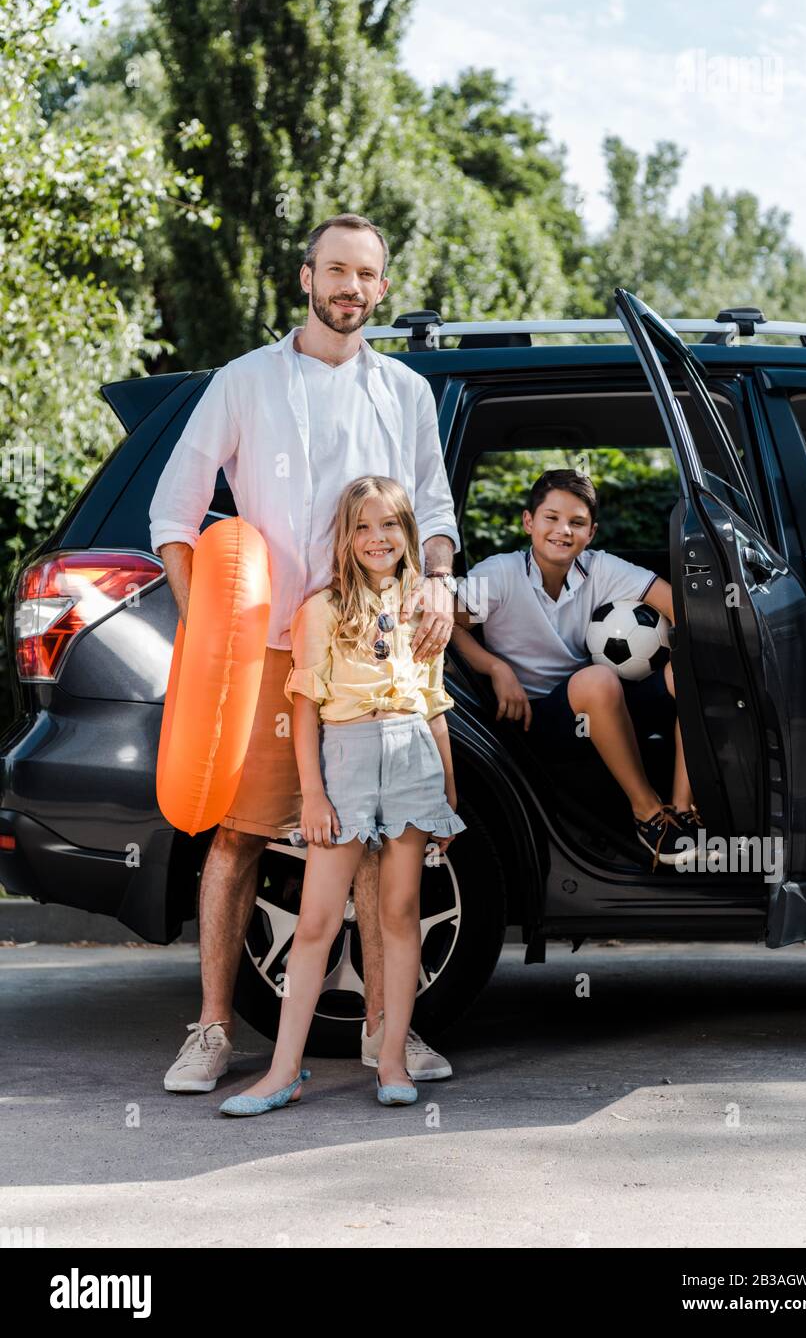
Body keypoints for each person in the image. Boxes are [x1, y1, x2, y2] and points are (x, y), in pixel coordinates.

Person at [149, 213, 462, 1094]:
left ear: (383, 287)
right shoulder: (243, 382)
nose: (350, 289)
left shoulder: (405, 392)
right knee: (236, 841)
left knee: (370, 846)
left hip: (375, 662)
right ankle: (211, 1029)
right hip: (268, 661)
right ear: (305, 277)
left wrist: (439, 579)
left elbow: (433, 514)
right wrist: (212, 633)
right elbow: (173, 515)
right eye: (335, 272)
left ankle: (379, 1037)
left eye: (365, 275)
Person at [218, 476, 466, 1114]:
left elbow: (434, 705)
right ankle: (283, 1071)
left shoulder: (423, 608)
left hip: (413, 759)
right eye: (361, 527)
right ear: (345, 538)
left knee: (401, 910)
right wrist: (314, 795)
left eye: (388, 525)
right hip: (347, 765)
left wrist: (447, 792)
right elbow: (304, 707)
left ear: (408, 533)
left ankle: (389, 1061)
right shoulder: (322, 610)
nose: (376, 538)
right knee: (318, 920)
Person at [450, 467, 703, 870]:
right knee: (597, 678)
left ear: (591, 532)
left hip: (606, 708)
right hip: (537, 717)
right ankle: (648, 814)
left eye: (577, 522)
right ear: (528, 521)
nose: (563, 530)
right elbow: (446, 623)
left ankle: (683, 807)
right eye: (551, 517)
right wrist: (495, 667)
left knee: (690, 670)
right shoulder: (499, 573)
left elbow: (679, 608)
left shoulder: (600, 568)